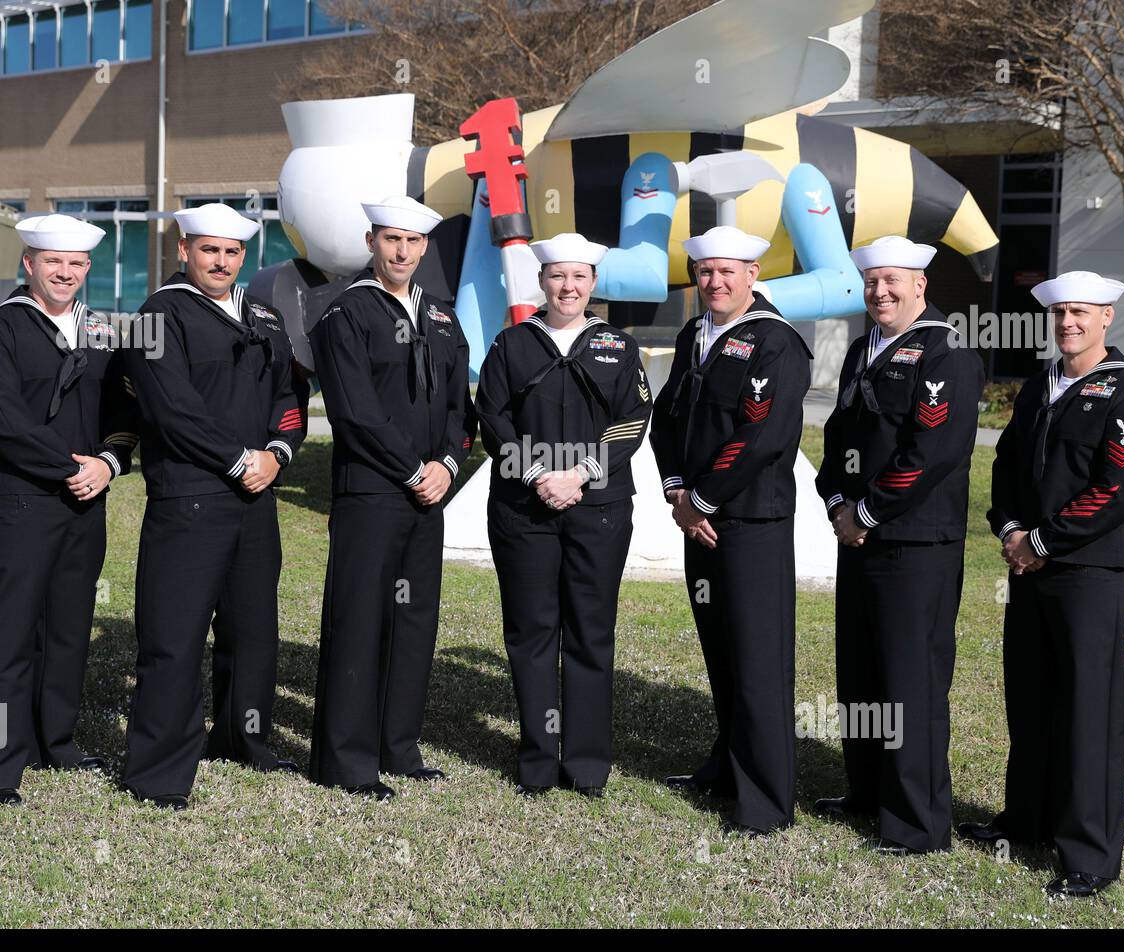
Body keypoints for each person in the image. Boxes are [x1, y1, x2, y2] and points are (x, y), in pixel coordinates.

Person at [963, 270, 1124, 897]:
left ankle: (1090, 856)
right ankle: (1026, 821)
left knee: (1088, 715)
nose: (1068, 323)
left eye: (1081, 313)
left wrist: (1041, 541)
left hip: (1088, 576)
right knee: (1030, 704)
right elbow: (1006, 467)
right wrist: (1011, 532)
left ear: (1107, 319)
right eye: (1060, 314)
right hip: (1029, 571)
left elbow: (1117, 490)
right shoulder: (1038, 388)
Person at [120, 202, 308, 810]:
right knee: (174, 633)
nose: (220, 261)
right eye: (208, 250)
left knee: (252, 629)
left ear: (243, 258)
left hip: (258, 495)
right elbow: (169, 408)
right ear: (184, 251)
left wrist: (277, 452)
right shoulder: (157, 315)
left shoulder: (267, 318)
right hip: (192, 496)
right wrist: (237, 459)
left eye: (231, 252)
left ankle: (241, 739)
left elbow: (292, 397)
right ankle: (158, 771)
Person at [0, 213, 138, 804]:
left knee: (68, 627)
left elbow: (126, 416)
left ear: (87, 269)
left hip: (87, 500)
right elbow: (4, 424)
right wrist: (72, 468)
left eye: (76, 263)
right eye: (52, 261)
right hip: (22, 500)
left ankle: (53, 741)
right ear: (28, 263)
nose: (65, 272)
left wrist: (107, 464)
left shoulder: (104, 335)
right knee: (6, 632)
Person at [812, 235, 985, 855]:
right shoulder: (864, 347)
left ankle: (915, 822)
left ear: (920, 286)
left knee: (910, 681)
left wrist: (866, 510)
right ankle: (866, 791)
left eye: (892, 281)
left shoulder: (947, 349)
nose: (880, 292)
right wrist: (836, 502)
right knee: (861, 672)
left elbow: (934, 449)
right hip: (858, 537)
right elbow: (838, 435)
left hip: (916, 541)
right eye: (871, 282)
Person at [308, 195, 474, 800]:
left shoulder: (443, 317)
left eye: (412, 242)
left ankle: (398, 748)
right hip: (374, 493)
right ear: (372, 241)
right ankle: (347, 762)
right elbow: (356, 413)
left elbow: (462, 408)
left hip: (429, 495)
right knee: (358, 623)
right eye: (390, 240)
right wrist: (414, 470)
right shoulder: (344, 312)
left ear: (425, 247)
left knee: (413, 622)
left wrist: (448, 465)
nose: (401, 251)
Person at [649, 225, 813, 835]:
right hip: (699, 518)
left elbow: (761, 435)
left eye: (727, 272)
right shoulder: (696, 333)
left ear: (753, 275)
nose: (715, 282)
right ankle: (726, 767)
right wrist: (675, 490)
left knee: (758, 660)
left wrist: (704, 500)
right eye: (705, 273)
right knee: (722, 653)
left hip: (749, 523)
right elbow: (668, 418)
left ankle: (767, 800)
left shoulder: (777, 342)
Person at [476, 233, 652, 797]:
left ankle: (586, 763)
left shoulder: (620, 348)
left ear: (593, 284)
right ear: (542, 282)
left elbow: (631, 423)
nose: (568, 287)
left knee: (590, 633)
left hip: (596, 508)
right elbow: (493, 418)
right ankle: (535, 760)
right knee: (530, 633)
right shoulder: (511, 344)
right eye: (557, 277)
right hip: (522, 508)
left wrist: (576, 475)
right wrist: (538, 474)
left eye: (579, 277)